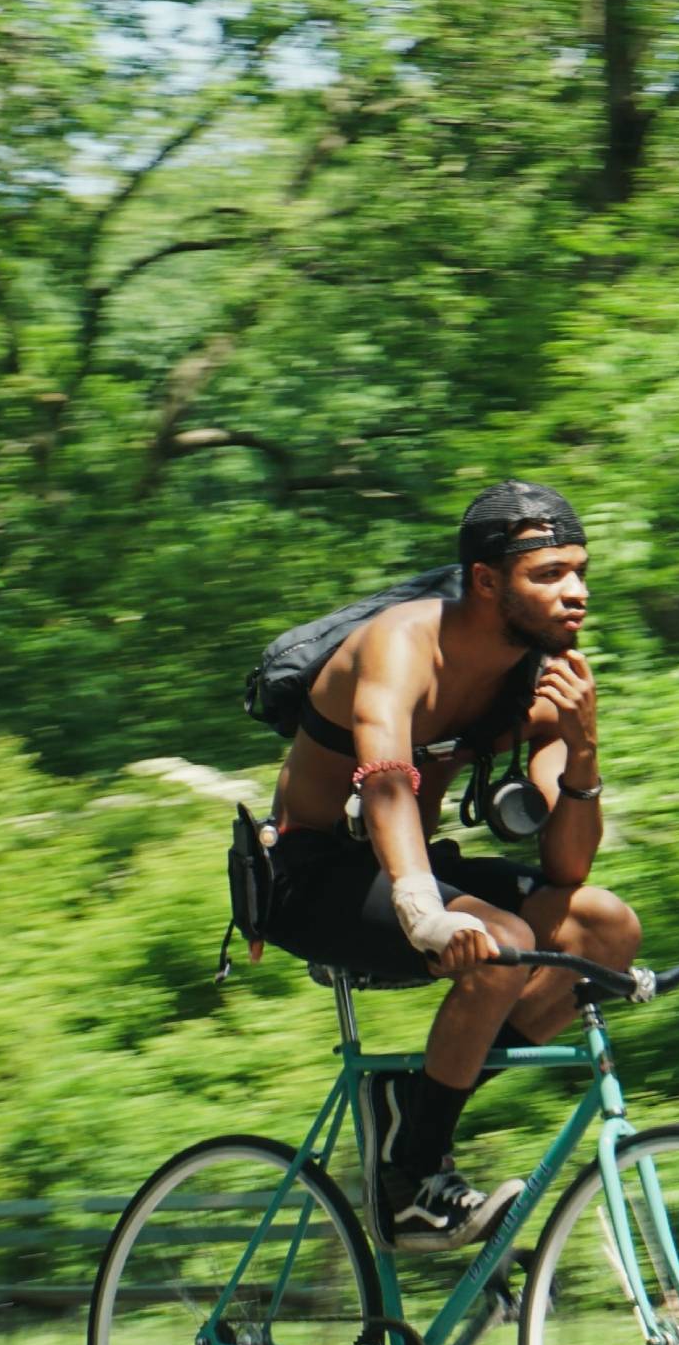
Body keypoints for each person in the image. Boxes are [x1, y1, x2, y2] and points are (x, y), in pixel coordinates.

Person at [262, 480, 641, 1250]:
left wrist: (583, 747)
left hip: (414, 865)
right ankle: (410, 1182)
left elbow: (565, 866)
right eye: (550, 575)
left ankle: (413, 1110)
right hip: (309, 874)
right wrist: (423, 910)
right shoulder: (400, 645)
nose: (576, 593)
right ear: (487, 581)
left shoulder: (548, 676)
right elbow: (388, 782)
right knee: (495, 942)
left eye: (581, 571)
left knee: (604, 929)